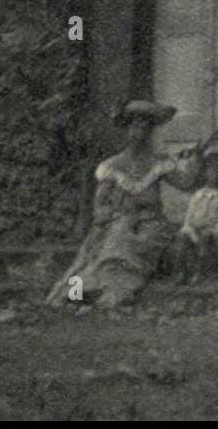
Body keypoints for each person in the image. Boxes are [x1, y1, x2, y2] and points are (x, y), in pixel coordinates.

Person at [46, 99, 200, 310]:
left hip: (152, 224)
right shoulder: (113, 165)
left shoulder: (159, 162)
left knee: (136, 243)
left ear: (150, 133)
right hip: (121, 221)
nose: (139, 134)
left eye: (145, 129)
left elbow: (186, 184)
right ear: (127, 131)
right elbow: (100, 202)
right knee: (115, 242)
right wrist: (107, 215)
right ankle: (85, 293)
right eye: (135, 128)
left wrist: (195, 161)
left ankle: (114, 294)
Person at [170, 144, 218, 283]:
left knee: (204, 238)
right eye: (211, 171)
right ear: (204, 173)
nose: (215, 175)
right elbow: (189, 217)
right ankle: (180, 271)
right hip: (194, 228)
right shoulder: (198, 195)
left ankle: (199, 271)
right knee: (181, 238)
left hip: (210, 231)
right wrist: (189, 230)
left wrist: (217, 231)